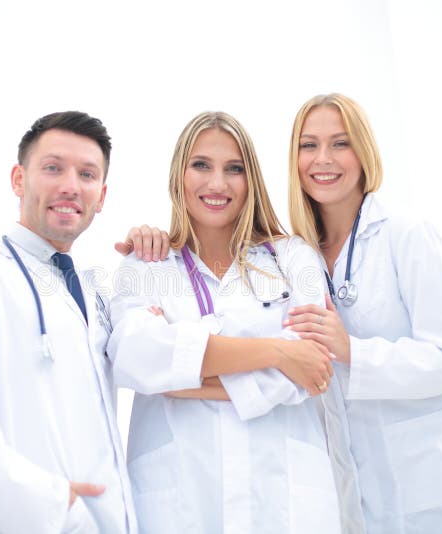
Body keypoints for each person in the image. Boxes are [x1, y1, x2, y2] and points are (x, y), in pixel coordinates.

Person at [107, 111, 362, 533]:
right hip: (183, 501)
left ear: (251, 179)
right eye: (201, 165)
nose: (217, 183)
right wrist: (278, 352)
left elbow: (310, 371)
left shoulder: (292, 258)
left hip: (281, 499)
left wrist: (177, 376)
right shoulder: (146, 264)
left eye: (234, 169)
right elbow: (135, 359)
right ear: (178, 175)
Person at [0, 111, 170, 533]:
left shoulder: (94, 293)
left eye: (87, 174)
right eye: (53, 168)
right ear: (18, 179)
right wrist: (55, 507)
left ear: (102, 195)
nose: (70, 186)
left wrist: (156, 256)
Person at [285, 93, 442, 533]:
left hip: (431, 487)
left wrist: (352, 350)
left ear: (364, 151)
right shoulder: (295, 254)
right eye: (309, 145)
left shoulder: (406, 234)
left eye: (340, 143)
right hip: (355, 496)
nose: (323, 159)